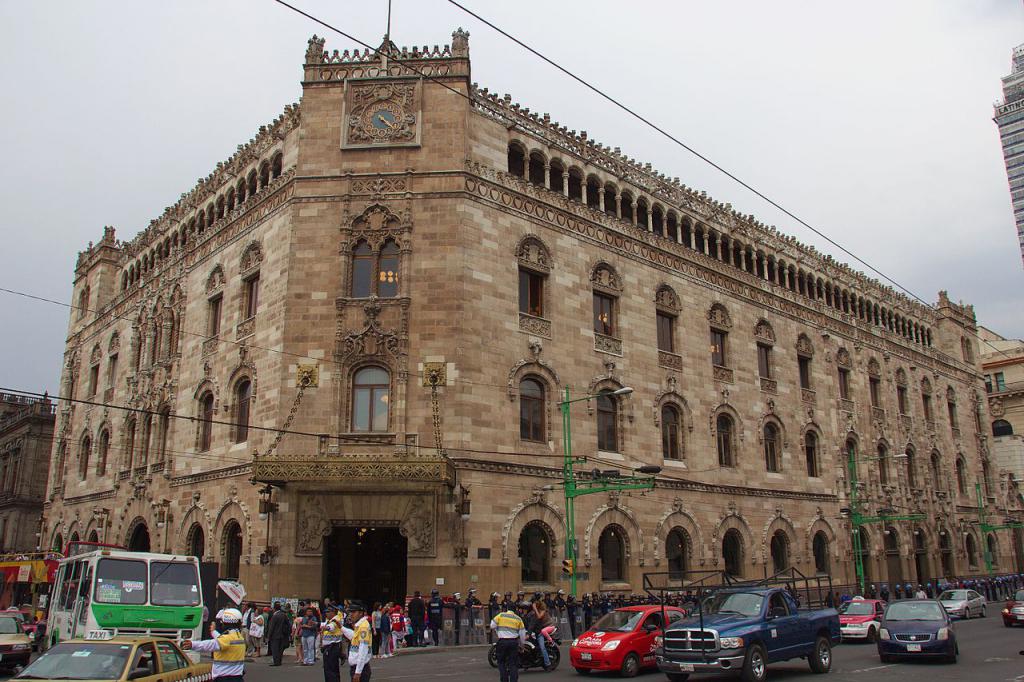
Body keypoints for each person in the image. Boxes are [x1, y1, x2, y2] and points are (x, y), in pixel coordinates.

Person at [182, 607, 246, 682]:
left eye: (222, 622)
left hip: (224, 679)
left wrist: (193, 644)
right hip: (237, 678)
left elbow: (211, 644)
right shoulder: (239, 637)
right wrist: (213, 632)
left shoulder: (227, 639)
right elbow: (223, 640)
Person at [490, 603, 527, 682]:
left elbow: (492, 625)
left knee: (501, 662)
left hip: (502, 642)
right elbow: (522, 634)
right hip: (513, 642)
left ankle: (504, 680)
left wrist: (498, 629)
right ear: (515, 610)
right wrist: (522, 645)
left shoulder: (501, 615)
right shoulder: (518, 619)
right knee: (513, 663)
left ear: (506, 609)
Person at [341, 601, 372, 682]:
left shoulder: (363, 627)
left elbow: (363, 650)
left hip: (360, 668)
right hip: (357, 667)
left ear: (361, 613)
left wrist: (358, 672)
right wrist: (341, 627)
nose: (351, 614)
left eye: (354, 612)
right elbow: (353, 636)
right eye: (350, 612)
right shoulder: (359, 625)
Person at [321, 604, 345, 682]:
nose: (326, 613)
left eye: (328, 612)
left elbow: (331, 627)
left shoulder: (336, 619)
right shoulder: (330, 620)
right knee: (329, 669)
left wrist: (325, 627)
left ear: (333, 612)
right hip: (329, 647)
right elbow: (324, 625)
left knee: (331, 670)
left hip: (332, 647)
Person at [266, 602, 292, 666]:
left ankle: (276, 662)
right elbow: (289, 625)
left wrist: (268, 636)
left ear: (274, 608)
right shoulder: (284, 615)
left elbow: (272, 627)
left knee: (275, 649)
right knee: (280, 649)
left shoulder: (275, 616)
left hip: (275, 635)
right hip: (283, 635)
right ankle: (279, 661)